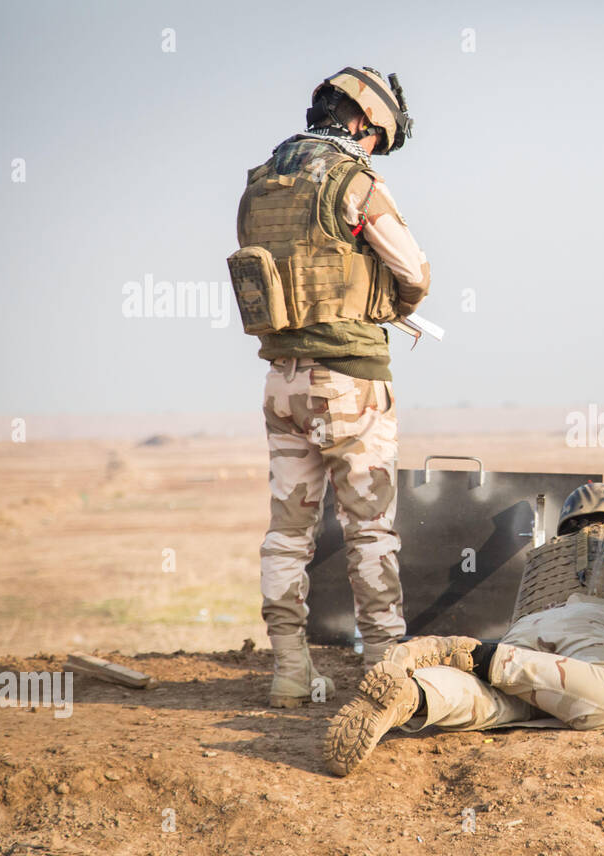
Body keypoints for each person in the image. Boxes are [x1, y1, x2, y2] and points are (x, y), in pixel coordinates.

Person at [226, 67, 431, 708]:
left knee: (287, 534)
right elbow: (417, 273)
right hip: (350, 383)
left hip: (282, 381)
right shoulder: (354, 181)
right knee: (370, 530)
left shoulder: (261, 183)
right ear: (362, 122)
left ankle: (289, 670)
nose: (372, 149)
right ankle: (389, 674)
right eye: (376, 138)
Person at [323, 483, 604, 776]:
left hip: (526, 641)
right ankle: (476, 655)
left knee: (497, 701)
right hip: (596, 638)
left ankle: (415, 694)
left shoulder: (546, 557)